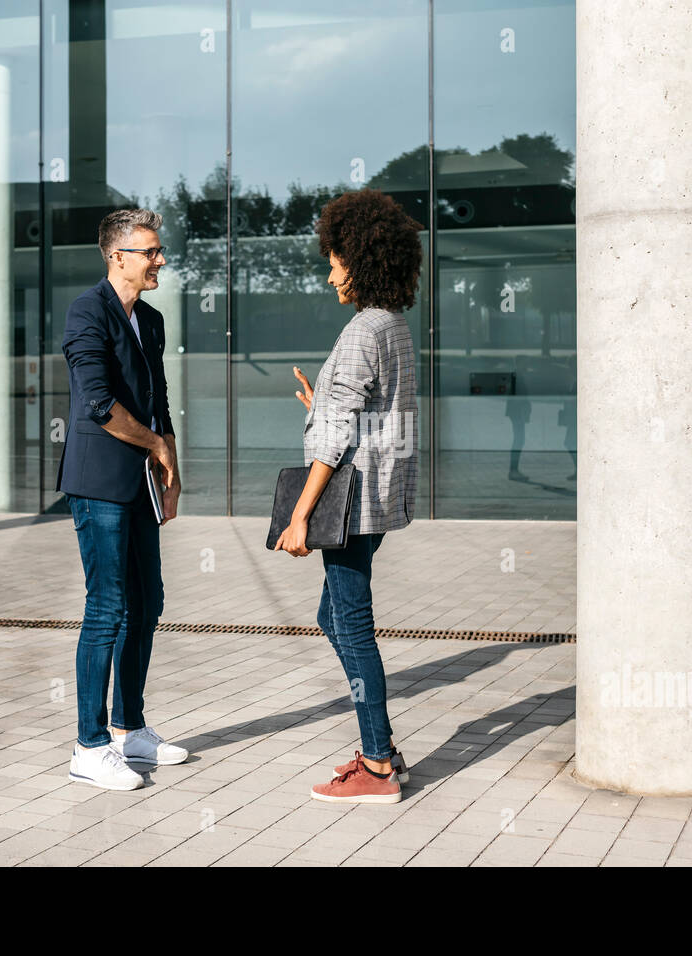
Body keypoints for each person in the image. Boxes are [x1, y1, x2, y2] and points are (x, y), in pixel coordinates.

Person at [273, 189, 421, 805]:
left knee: (352, 624)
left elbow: (336, 439)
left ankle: (379, 763)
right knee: (332, 617)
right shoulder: (392, 327)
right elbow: (373, 414)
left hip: (350, 502)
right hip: (379, 497)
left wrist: (300, 515)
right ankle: (379, 744)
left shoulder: (363, 330)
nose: (329, 271)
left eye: (335, 259)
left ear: (360, 259)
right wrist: (321, 405)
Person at [57, 208, 189, 791]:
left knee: (148, 601)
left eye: (159, 251)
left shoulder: (151, 320)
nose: (160, 259)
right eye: (150, 252)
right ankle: (89, 747)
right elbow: (98, 404)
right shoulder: (88, 311)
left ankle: (130, 729)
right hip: (99, 483)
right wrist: (156, 446)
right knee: (106, 607)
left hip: (141, 482)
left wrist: (172, 468)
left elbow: (159, 399)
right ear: (117, 257)